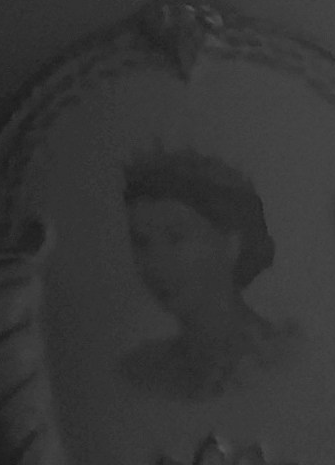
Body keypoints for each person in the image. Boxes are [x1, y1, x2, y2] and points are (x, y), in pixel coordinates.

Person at [118, 150, 304, 401]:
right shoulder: (144, 370)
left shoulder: (280, 357)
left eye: (176, 238)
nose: (156, 264)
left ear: (231, 244)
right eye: (141, 243)